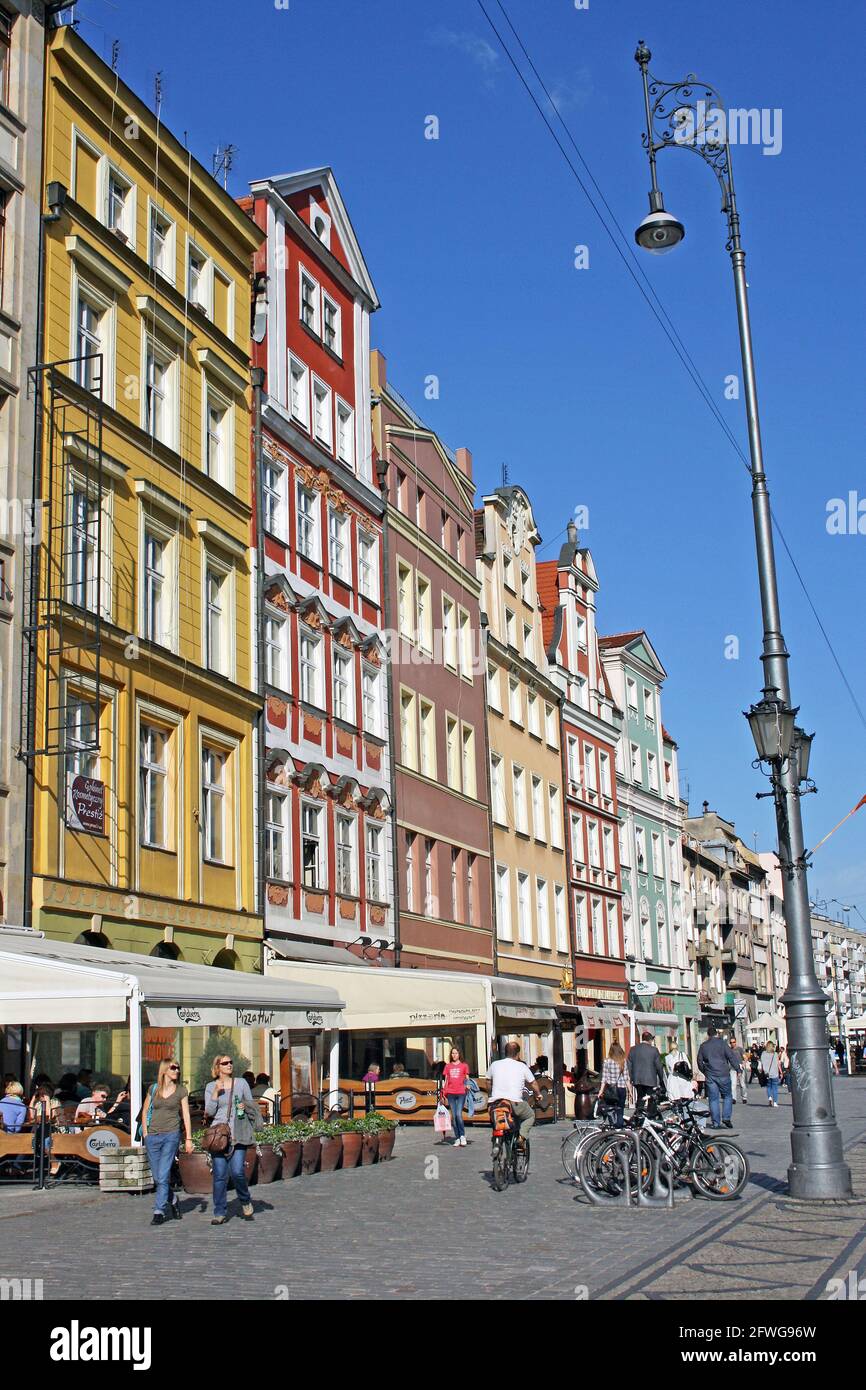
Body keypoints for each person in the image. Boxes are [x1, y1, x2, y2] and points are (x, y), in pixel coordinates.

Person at [204, 1055, 259, 1225]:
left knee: (237, 1172)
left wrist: (245, 1106)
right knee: (220, 1175)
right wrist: (215, 1093)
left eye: (230, 1062)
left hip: (238, 1133)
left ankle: (244, 1199)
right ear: (217, 1067)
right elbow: (209, 1112)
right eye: (225, 1063)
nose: (229, 1065)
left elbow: (251, 1105)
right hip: (219, 1135)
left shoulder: (241, 1083)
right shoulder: (211, 1086)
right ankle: (219, 1212)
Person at [141, 1059, 193, 1226]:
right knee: (157, 1178)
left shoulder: (181, 1091)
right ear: (164, 1070)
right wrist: (147, 1133)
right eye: (173, 1067)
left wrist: (188, 1138)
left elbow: (186, 1115)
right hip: (153, 1136)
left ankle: (159, 1211)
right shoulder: (153, 1089)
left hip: (171, 1135)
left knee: (163, 1175)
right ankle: (174, 1199)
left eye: (178, 1068)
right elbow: (144, 1111)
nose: (176, 1070)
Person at [487, 1042, 542, 1149]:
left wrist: (491, 1094)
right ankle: (521, 1138)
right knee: (530, 1115)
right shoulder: (522, 1066)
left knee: (495, 1118)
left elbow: (488, 1081)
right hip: (515, 1103)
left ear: (505, 1053)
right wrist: (538, 1094)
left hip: (496, 1102)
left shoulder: (494, 1064)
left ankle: (496, 1142)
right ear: (517, 1054)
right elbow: (533, 1083)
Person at [697, 1025, 741, 1130]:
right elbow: (731, 1056)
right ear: (716, 1034)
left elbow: (699, 1061)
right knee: (727, 1096)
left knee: (713, 1099)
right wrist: (738, 1069)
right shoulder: (722, 1044)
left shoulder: (703, 1046)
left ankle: (716, 1123)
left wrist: (705, 1071)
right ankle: (726, 1117)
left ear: (708, 1035)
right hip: (723, 1073)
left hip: (710, 1075)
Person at [627, 1031, 667, 1112]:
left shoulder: (633, 1049)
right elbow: (659, 1066)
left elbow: (629, 1065)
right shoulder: (654, 1050)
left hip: (637, 1079)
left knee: (640, 1097)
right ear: (650, 1040)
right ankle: (650, 1115)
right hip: (650, 1079)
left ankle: (639, 1114)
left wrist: (631, 1078)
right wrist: (661, 1079)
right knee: (651, 1098)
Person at [442, 1046, 470, 1147]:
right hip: (450, 1093)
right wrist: (444, 1092)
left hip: (461, 1092)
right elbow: (446, 1080)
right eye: (452, 1053)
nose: (454, 1055)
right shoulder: (448, 1066)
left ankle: (462, 1136)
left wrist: (467, 1084)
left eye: (456, 1053)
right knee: (453, 1117)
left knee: (458, 1114)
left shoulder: (464, 1066)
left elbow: (467, 1078)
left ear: (459, 1054)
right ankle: (457, 1137)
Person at [598, 1042, 629, 1124]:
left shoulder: (607, 1062)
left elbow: (604, 1078)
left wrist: (601, 1091)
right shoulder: (623, 1061)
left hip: (610, 1089)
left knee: (611, 1109)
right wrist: (630, 1091)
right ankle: (619, 1127)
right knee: (620, 1109)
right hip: (621, 1088)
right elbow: (626, 1078)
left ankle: (613, 1126)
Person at [664, 1038, 694, 1104]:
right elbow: (688, 1066)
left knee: (675, 1100)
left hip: (672, 1080)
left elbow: (669, 1071)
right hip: (683, 1079)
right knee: (685, 1099)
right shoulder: (682, 1054)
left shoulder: (667, 1057)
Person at [760, 1040, 782, 1105]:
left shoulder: (763, 1053)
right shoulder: (775, 1054)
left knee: (768, 1086)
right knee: (775, 1088)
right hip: (775, 1073)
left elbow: (762, 1063)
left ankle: (769, 1097)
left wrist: (762, 1070)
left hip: (767, 1073)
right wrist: (781, 1072)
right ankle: (775, 1102)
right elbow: (778, 1064)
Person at [728, 1035, 748, 1104]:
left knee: (742, 1084)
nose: (732, 1043)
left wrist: (743, 1064)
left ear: (736, 1042)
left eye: (733, 1042)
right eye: (731, 1042)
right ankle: (734, 1098)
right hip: (732, 1069)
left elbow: (745, 1058)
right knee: (733, 1084)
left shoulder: (739, 1049)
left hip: (740, 1068)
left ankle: (744, 1097)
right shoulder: (729, 1050)